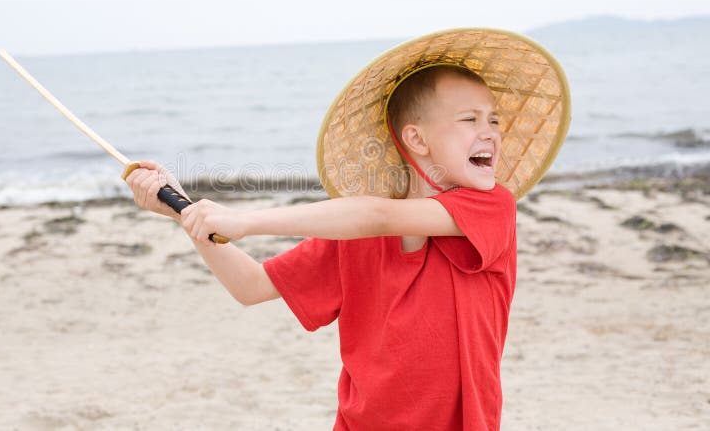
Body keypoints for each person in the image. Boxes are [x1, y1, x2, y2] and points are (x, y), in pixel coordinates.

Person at [125, 28, 571, 430]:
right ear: (416, 139)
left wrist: (248, 221)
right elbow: (251, 285)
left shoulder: (490, 208)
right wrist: (185, 215)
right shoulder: (351, 234)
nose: (491, 131)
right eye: (469, 119)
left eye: (493, 119)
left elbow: (377, 215)